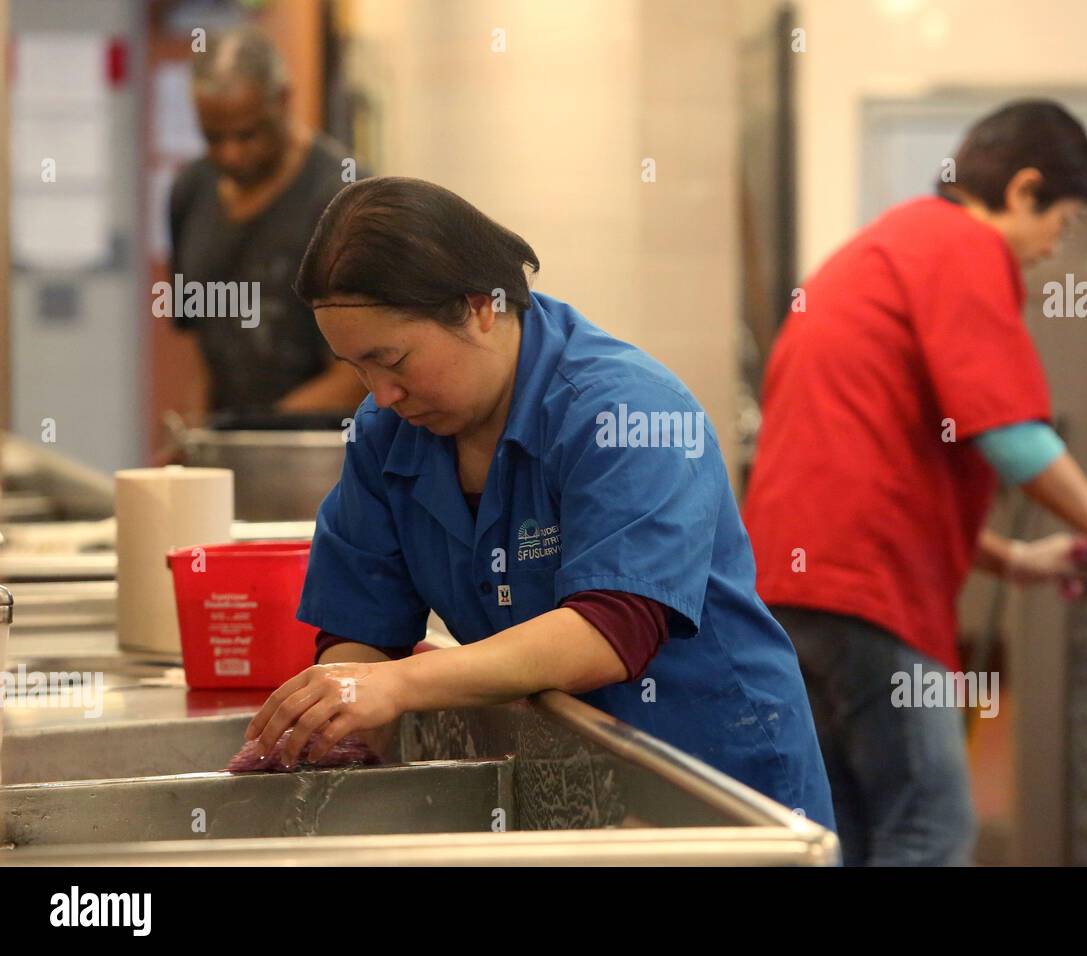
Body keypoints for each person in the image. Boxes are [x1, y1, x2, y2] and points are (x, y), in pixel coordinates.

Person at [241, 176, 836, 832]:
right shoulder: (387, 435)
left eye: (394, 360)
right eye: (358, 368)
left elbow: (612, 628)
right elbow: (362, 625)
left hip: (708, 778)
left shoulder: (625, 411)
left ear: (478, 307)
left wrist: (399, 687)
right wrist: (338, 718)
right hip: (569, 782)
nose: (382, 394)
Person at [740, 100, 1087, 866]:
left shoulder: (886, 246)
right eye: (1063, 223)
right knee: (931, 830)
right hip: (871, 601)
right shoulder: (963, 246)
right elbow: (1012, 436)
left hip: (793, 597)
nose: (1055, 249)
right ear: (1024, 190)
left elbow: (871, 472)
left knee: (850, 836)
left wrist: (1016, 560)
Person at [167, 26, 367, 419]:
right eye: (213, 137)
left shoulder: (344, 197)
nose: (231, 154)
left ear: (283, 100)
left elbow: (362, 373)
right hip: (233, 440)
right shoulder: (189, 192)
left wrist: (256, 437)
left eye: (248, 135)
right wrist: (199, 436)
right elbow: (205, 353)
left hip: (329, 443)